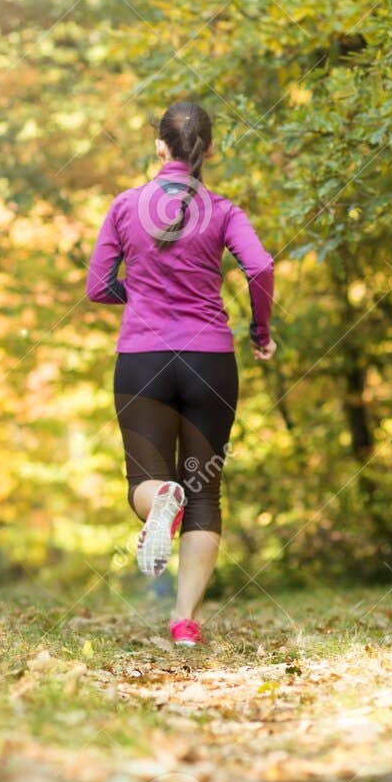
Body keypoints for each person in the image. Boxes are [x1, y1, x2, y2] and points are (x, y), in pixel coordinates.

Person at [85, 101, 275, 647]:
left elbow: (98, 286)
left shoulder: (126, 205)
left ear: (159, 146)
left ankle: (160, 497)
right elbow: (260, 266)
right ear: (209, 150)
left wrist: (142, 291)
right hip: (209, 361)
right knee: (205, 494)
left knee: (142, 483)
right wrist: (260, 331)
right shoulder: (224, 210)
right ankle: (185, 621)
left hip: (142, 359)